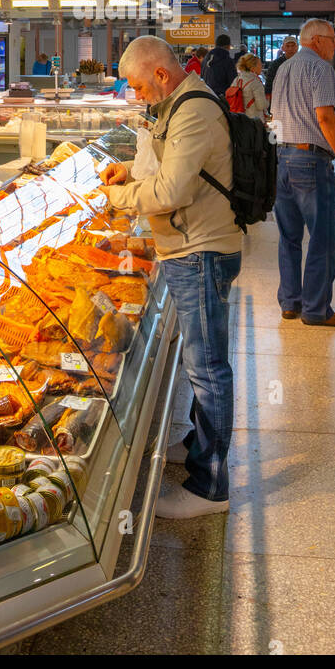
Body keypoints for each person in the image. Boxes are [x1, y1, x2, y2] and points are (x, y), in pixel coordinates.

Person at [99, 36, 241, 519]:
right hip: (189, 245)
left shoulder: (193, 111)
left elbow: (173, 189)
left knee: (208, 368)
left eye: (139, 86)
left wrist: (118, 199)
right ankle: (198, 444)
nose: (137, 96)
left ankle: (210, 487)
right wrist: (127, 174)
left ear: (160, 74)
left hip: (200, 249)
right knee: (202, 362)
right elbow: (169, 172)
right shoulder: (179, 104)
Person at [271, 19, 335, 327]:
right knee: (322, 239)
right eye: (333, 40)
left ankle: (290, 302)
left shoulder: (284, 67)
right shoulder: (320, 69)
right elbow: (325, 118)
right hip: (310, 162)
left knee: (289, 238)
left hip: (282, 158)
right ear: (316, 41)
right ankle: (316, 310)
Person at [232, 53, 267, 120]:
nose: (262, 67)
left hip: (239, 118)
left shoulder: (237, 80)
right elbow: (261, 105)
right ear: (253, 67)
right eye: (260, 64)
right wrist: (267, 102)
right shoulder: (255, 82)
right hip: (253, 120)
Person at [201, 33, 237, 98]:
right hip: (221, 98)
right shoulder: (227, 60)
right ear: (228, 46)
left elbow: (202, 77)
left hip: (206, 95)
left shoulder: (205, 59)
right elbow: (233, 82)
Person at [264, 36, 297, 104]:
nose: (290, 48)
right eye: (287, 46)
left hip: (297, 98)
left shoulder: (303, 62)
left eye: (293, 46)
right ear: (283, 48)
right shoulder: (275, 64)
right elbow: (269, 82)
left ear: (297, 47)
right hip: (280, 99)